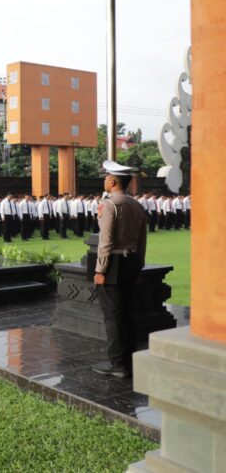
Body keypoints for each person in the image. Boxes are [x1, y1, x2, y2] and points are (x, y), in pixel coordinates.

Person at [93, 160, 147, 379]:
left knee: (113, 317)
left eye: (106, 178)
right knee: (128, 313)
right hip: (132, 262)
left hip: (113, 264)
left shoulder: (110, 205)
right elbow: (143, 239)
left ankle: (117, 364)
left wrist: (100, 270)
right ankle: (130, 360)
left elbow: (105, 242)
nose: (105, 181)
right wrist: (140, 264)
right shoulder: (137, 204)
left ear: (113, 181)